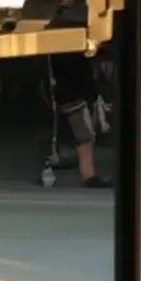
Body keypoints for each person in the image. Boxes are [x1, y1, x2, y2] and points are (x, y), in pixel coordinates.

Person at [49, 51, 111, 188]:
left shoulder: (62, 58)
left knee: (83, 135)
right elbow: (83, 80)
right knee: (84, 136)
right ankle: (88, 175)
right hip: (72, 97)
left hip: (67, 95)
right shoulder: (77, 61)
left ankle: (87, 174)